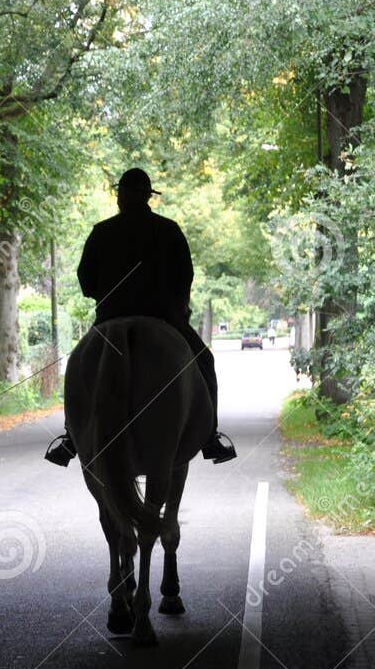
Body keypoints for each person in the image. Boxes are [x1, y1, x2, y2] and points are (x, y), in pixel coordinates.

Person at [45, 168, 236, 466]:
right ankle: (211, 439)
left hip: (110, 319)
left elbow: (85, 282)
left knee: (78, 365)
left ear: (120, 196)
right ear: (148, 197)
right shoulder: (169, 230)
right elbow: (185, 278)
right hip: (165, 319)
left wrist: (109, 296)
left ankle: (71, 437)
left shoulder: (102, 232)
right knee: (205, 362)